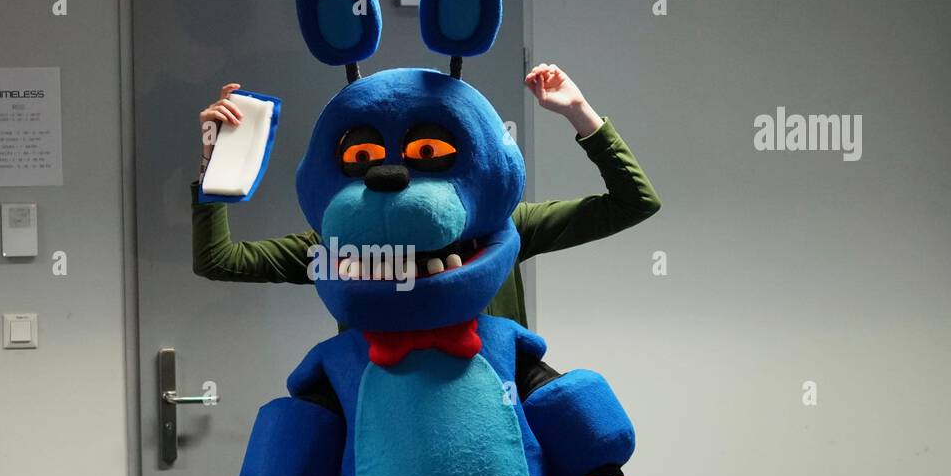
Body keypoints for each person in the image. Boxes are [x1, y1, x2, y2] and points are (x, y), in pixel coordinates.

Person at [191, 64, 661, 331]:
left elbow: (633, 201)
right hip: (378, 427)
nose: (395, 172)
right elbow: (220, 260)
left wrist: (580, 113)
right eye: (364, 154)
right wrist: (219, 167)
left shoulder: (502, 228)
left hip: (493, 418)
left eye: (429, 152)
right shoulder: (337, 246)